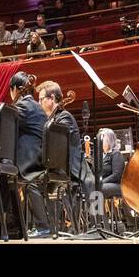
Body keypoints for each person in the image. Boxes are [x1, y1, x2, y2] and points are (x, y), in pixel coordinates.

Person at [5, 73, 51, 236]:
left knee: (1, 174)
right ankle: (13, 225)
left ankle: (11, 226)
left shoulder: (23, 105)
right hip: (40, 157)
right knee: (5, 173)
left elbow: (5, 127)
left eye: (11, 90)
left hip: (30, 161)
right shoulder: (37, 106)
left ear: (16, 89)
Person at [37, 79, 85, 227]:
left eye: (41, 99)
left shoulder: (64, 117)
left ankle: (46, 226)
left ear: (52, 99)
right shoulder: (53, 118)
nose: (38, 103)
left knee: (34, 181)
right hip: (58, 165)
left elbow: (58, 146)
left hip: (69, 168)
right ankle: (50, 225)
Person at [96, 128, 124, 200]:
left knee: (99, 188)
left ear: (109, 140)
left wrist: (101, 182)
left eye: (103, 138)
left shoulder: (116, 154)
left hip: (117, 185)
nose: (100, 141)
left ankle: (99, 210)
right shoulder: (101, 155)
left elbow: (116, 175)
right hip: (104, 183)